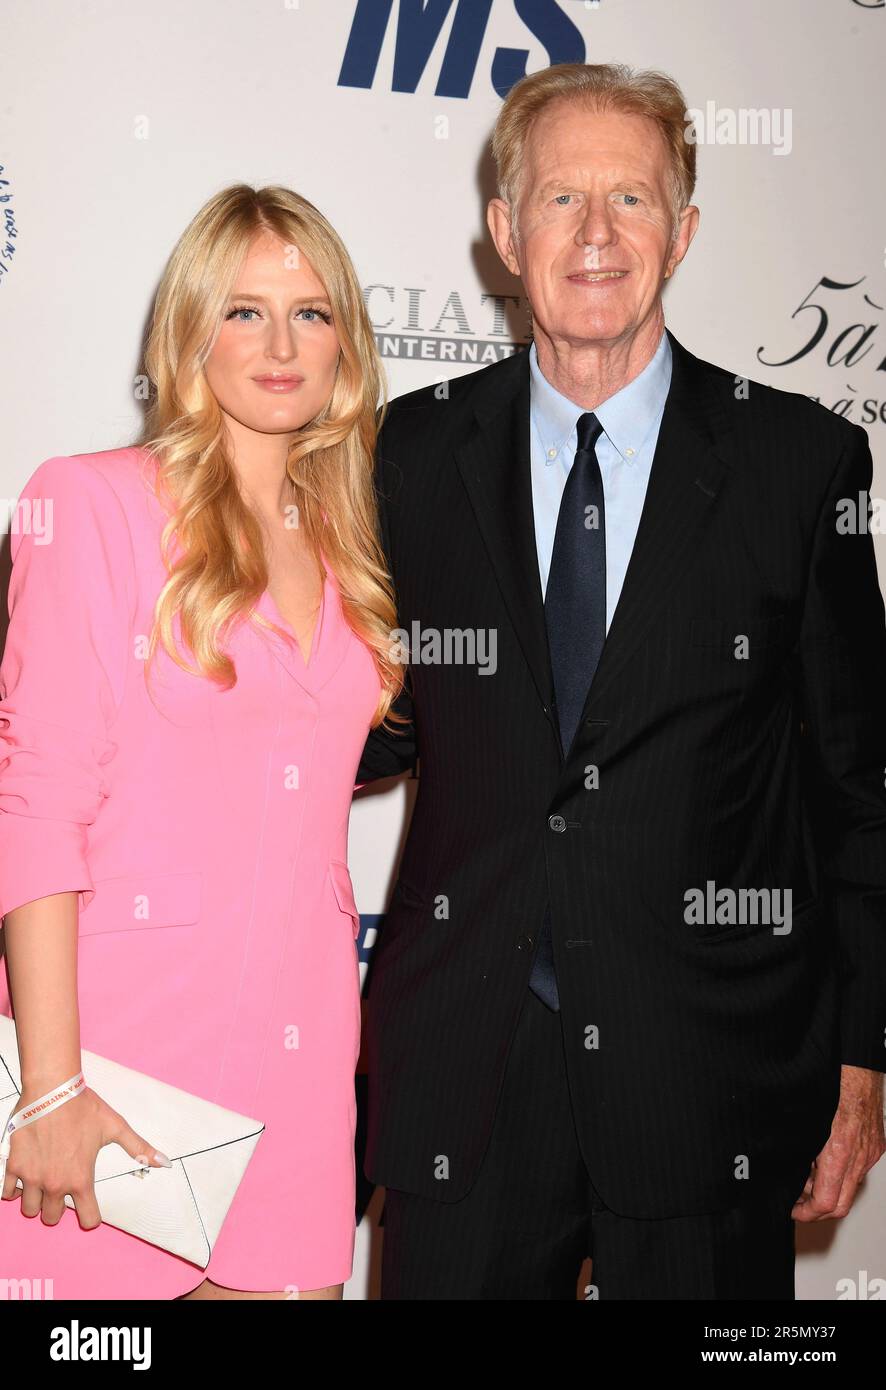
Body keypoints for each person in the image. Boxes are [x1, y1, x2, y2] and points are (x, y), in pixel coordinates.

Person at [356, 63, 886, 1300]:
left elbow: (859, 784)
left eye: (633, 201)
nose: (595, 235)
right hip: (468, 1076)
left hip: (712, 1081)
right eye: (559, 201)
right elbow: (367, 721)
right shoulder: (408, 452)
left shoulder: (800, 462)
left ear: (684, 231)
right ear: (503, 232)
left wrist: (863, 1059)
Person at [0, 183, 403, 1300]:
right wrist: (47, 1085)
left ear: (345, 346)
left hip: (303, 1059)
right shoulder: (93, 504)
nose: (280, 344)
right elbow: (34, 804)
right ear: (188, 331)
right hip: (115, 1058)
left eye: (312, 314)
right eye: (242, 311)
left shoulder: (354, 551)